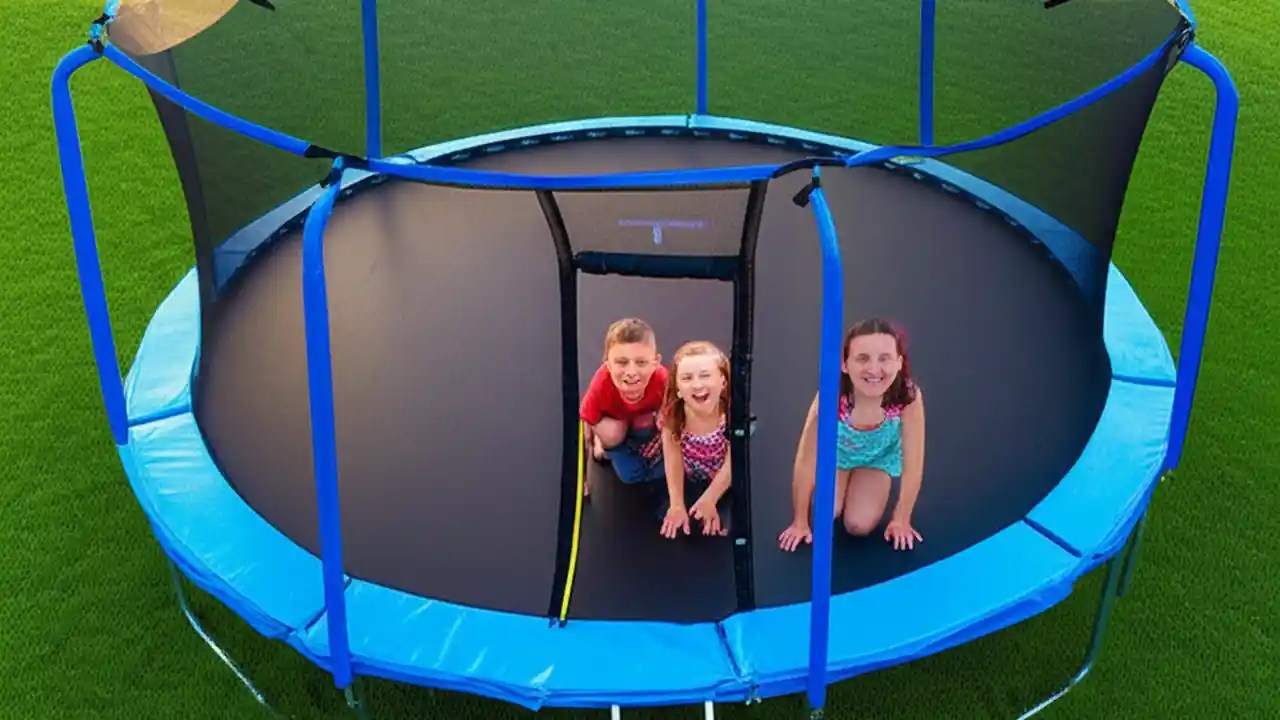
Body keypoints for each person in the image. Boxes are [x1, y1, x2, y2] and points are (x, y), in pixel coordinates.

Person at [779, 317, 925, 552]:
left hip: (878, 461)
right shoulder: (832, 397)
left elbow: (913, 462)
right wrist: (800, 521)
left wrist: (901, 518)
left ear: (899, 363)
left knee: (858, 525)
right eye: (862, 358)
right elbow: (807, 459)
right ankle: (840, 485)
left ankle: (863, 485)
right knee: (825, 513)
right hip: (836, 457)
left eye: (884, 358)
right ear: (845, 364)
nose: (874, 369)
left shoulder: (907, 398)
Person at [580, 318, 668, 493]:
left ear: (655, 363)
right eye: (621, 362)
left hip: (644, 424)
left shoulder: (663, 380)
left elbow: (677, 415)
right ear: (608, 364)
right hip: (616, 426)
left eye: (641, 362)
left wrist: (664, 415)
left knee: (658, 425)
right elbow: (584, 428)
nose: (631, 372)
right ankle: (603, 445)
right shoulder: (601, 386)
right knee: (630, 476)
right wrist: (581, 481)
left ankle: (639, 442)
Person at [657, 341, 733, 538]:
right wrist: (676, 503)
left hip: (725, 479)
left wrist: (711, 498)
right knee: (672, 518)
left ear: (723, 381)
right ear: (679, 389)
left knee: (726, 527)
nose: (697, 384)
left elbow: (733, 462)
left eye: (705, 375)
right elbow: (673, 460)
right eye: (687, 378)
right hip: (693, 477)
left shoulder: (733, 416)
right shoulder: (673, 419)